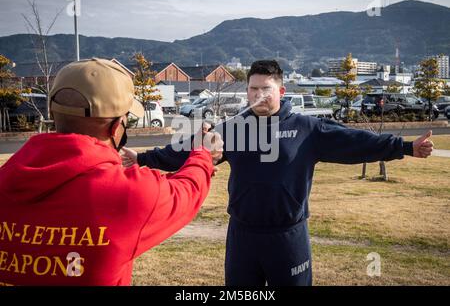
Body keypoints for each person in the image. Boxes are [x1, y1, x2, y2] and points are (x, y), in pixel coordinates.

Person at [121, 60, 434, 286]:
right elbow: (188, 151)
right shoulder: (233, 129)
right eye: (253, 89)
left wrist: (405, 148)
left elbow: (357, 142)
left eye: (265, 89)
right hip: (243, 236)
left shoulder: (307, 128)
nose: (258, 95)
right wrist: (142, 157)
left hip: (288, 237)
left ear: (281, 90)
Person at [0, 58, 223, 286]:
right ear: (116, 127)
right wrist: (204, 153)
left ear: (53, 114)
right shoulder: (130, 193)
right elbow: (187, 190)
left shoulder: (5, 177)